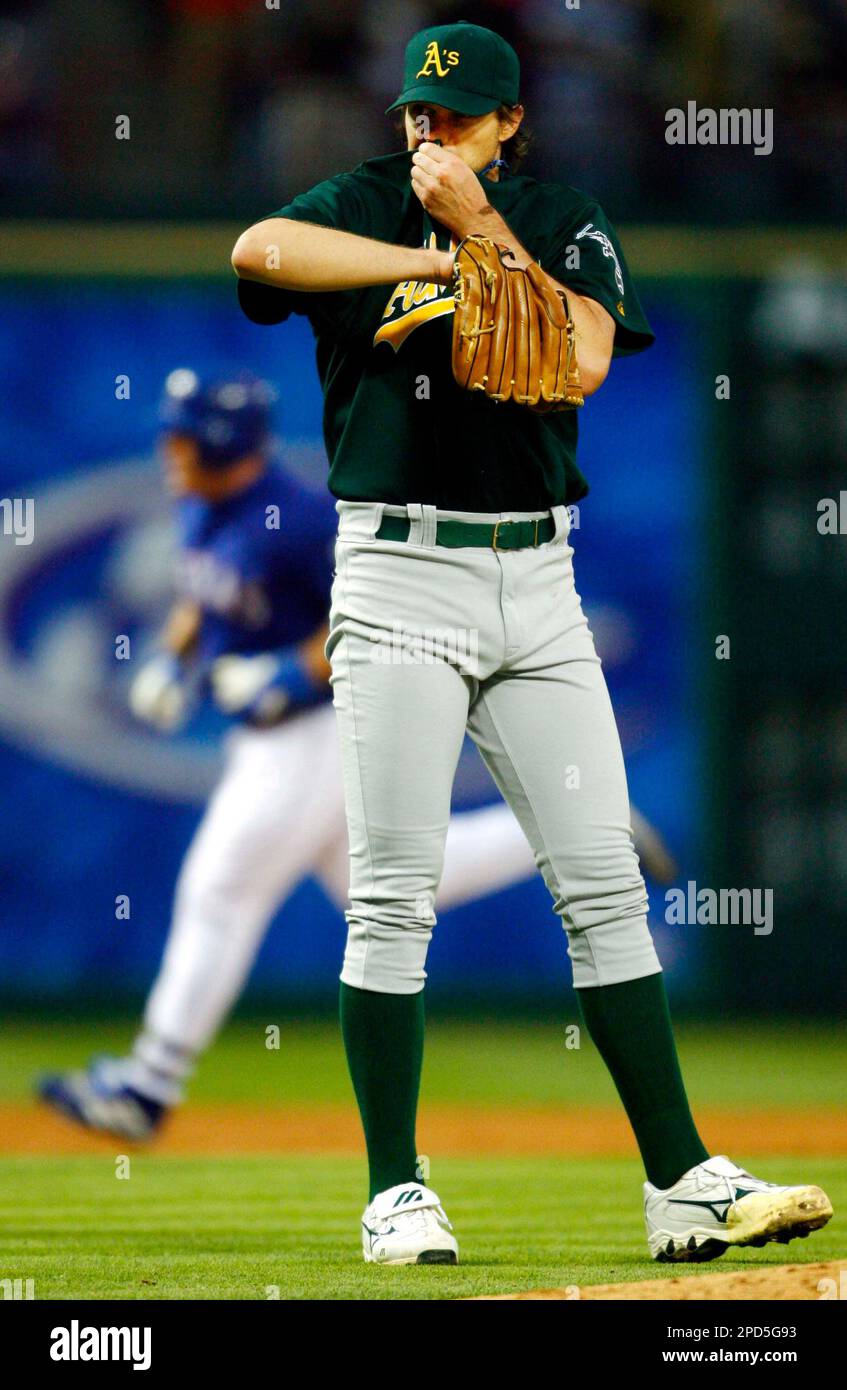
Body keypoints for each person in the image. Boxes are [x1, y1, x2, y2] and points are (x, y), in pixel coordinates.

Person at [230, 21, 833, 1266]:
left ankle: (682, 1183)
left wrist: (484, 243)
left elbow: (589, 355)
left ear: (510, 124)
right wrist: (423, 250)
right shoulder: (357, 203)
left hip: (538, 579)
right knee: (392, 897)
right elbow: (258, 250)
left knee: (602, 881)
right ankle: (395, 1190)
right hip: (396, 571)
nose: (428, 130)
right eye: (416, 111)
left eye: (456, 116)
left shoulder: (560, 216)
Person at [40, 366, 676, 1140]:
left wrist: (286, 671)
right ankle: (587, 830)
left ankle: (146, 1085)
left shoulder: (297, 516)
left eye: (181, 433)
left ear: (219, 436)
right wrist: (177, 662)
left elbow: (368, 614)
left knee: (221, 887)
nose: (168, 448)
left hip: (320, 727)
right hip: (268, 740)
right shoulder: (204, 503)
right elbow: (197, 597)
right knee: (363, 884)